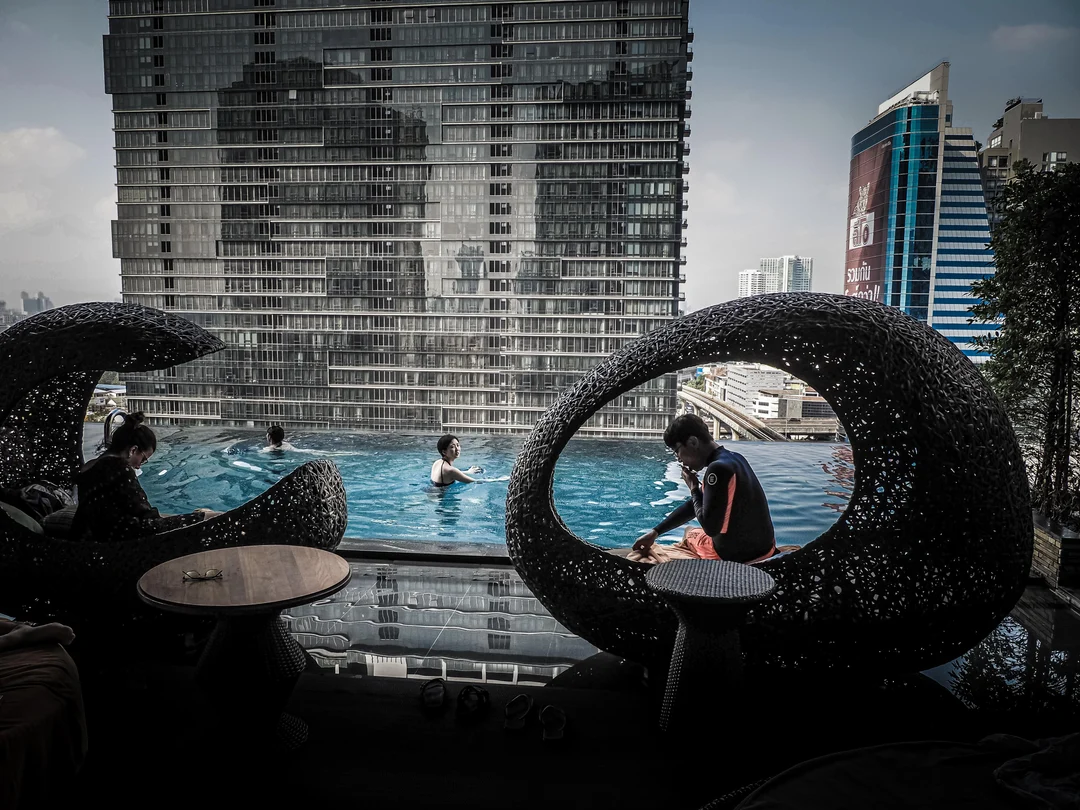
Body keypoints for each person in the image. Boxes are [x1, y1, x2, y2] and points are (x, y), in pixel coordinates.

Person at [631, 413, 776, 565]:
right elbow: (698, 504)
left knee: (689, 533)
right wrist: (656, 532)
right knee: (691, 529)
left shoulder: (717, 469)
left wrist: (693, 487)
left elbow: (711, 528)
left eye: (677, 451)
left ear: (693, 442)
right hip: (765, 549)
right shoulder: (734, 458)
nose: (679, 458)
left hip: (735, 557)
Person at [71, 412, 220, 542]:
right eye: (143, 459)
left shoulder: (89, 465)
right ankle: (210, 517)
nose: (139, 466)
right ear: (133, 450)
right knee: (201, 519)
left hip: (85, 532)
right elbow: (143, 511)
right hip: (115, 535)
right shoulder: (119, 468)